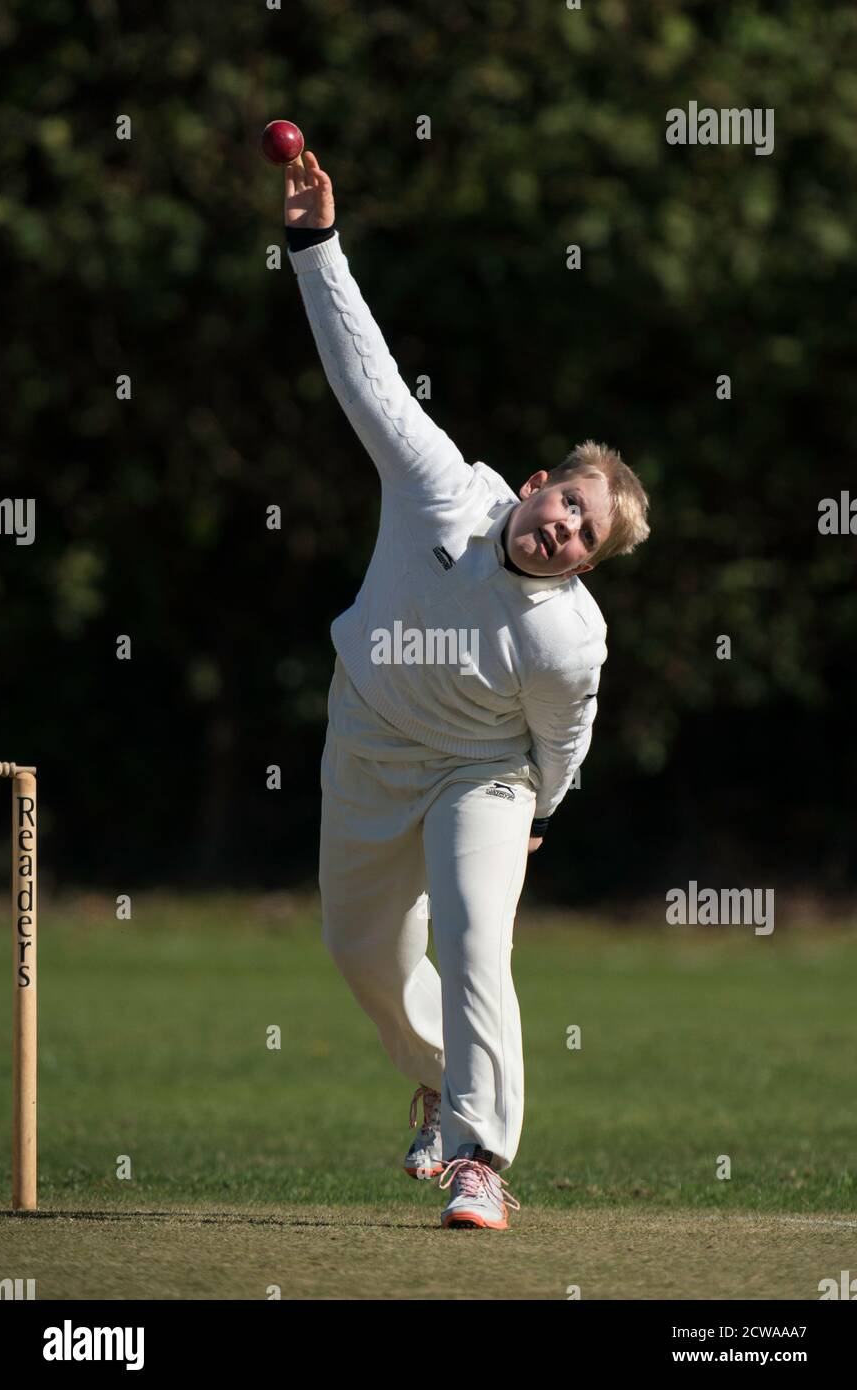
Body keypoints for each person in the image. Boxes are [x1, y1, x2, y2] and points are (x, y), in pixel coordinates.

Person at [284, 149, 650, 1230]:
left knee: (476, 934)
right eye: (568, 503)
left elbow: (564, 742)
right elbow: (368, 375)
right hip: (365, 742)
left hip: (481, 774)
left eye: (588, 536)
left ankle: (483, 1156)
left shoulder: (570, 639)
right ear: (536, 483)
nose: (567, 529)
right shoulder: (440, 488)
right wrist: (313, 245)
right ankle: (445, 1083)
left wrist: (536, 812)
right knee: (359, 951)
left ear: (587, 563)